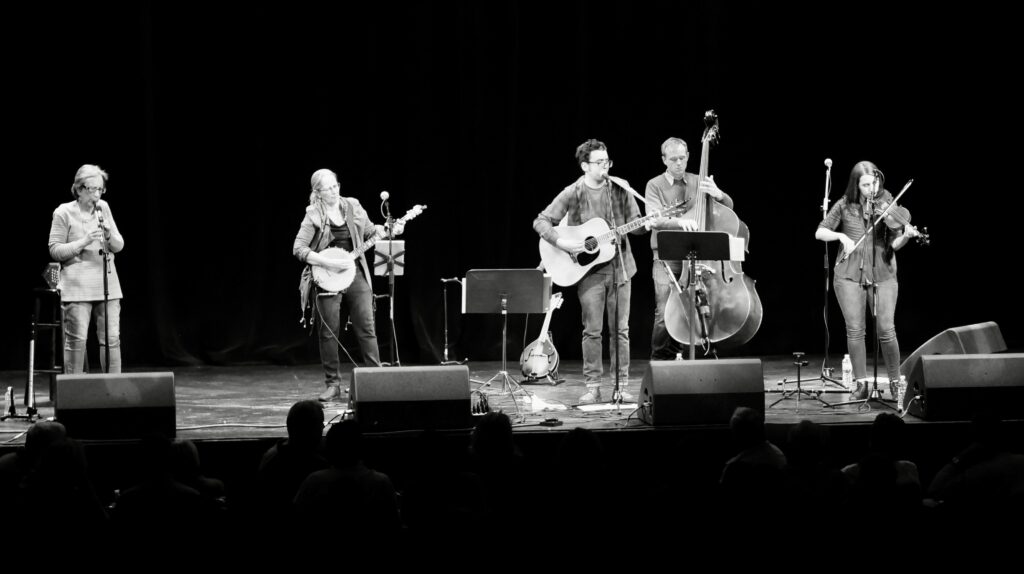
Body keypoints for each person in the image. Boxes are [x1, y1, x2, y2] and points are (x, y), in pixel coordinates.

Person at [533, 139, 646, 403]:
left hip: (621, 268)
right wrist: (561, 242)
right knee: (592, 331)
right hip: (588, 271)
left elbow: (637, 225)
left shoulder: (619, 189)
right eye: (599, 162)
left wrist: (649, 222)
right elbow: (541, 220)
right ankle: (593, 386)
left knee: (621, 330)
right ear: (585, 166)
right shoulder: (573, 192)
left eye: (607, 161)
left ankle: (621, 385)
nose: (605, 167)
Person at [293, 169, 402, 402]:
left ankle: (375, 378)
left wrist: (390, 230)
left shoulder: (352, 205)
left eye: (336, 186)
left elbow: (372, 231)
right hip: (327, 275)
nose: (334, 191)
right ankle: (333, 384)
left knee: (366, 323)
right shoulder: (313, 214)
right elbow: (299, 249)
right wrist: (327, 261)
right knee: (329, 331)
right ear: (318, 193)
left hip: (354, 272)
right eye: (328, 188)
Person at [815, 161, 919, 399]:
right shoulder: (844, 204)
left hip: (883, 271)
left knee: (886, 329)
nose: (872, 188)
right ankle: (861, 384)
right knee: (855, 330)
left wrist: (906, 236)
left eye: (875, 182)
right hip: (849, 274)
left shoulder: (888, 202)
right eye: (865, 185)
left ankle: (895, 382)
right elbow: (820, 231)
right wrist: (841, 236)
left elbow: (894, 244)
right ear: (856, 184)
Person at [644, 137, 733, 360]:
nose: (678, 163)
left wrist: (718, 194)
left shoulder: (698, 180)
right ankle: (661, 360)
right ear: (664, 160)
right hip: (667, 257)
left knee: (702, 306)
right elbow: (653, 219)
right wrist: (679, 222)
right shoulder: (654, 185)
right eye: (673, 159)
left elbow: (727, 209)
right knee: (666, 311)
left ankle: (694, 355)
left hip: (698, 256)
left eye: (682, 158)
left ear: (688, 157)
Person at [47, 164, 125, 373]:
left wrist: (109, 235)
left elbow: (118, 245)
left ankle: (113, 392)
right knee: (77, 340)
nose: (97, 195)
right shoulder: (64, 212)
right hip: (77, 287)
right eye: (93, 189)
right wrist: (83, 242)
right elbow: (55, 250)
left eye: (101, 189)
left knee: (111, 339)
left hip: (107, 284)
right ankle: (74, 396)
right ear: (79, 189)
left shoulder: (103, 208)